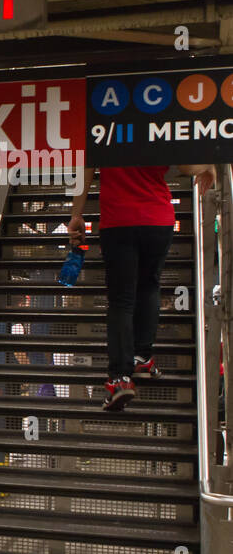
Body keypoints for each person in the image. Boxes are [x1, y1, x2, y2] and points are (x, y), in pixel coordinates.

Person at [69, 164, 213, 410]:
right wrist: (209, 163)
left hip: (118, 222)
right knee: (149, 286)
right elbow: (189, 167)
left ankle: (120, 378)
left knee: (121, 300)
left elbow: (87, 168)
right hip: (157, 219)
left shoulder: (104, 126)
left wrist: (76, 214)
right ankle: (143, 357)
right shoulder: (158, 124)